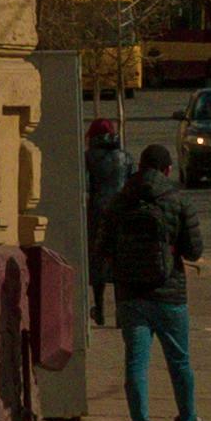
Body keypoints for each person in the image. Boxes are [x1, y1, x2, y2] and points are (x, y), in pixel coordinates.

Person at [105, 137, 204, 421]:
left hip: (131, 296)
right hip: (170, 294)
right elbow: (195, 249)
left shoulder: (120, 201)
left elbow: (101, 249)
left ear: (140, 167)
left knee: (136, 364)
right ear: (168, 169)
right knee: (179, 362)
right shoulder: (177, 201)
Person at [84, 108, 131, 337]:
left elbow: (85, 187)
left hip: (97, 212)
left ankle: (100, 309)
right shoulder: (125, 157)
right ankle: (121, 314)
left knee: (98, 260)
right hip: (121, 213)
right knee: (120, 261)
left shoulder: (88, 157)